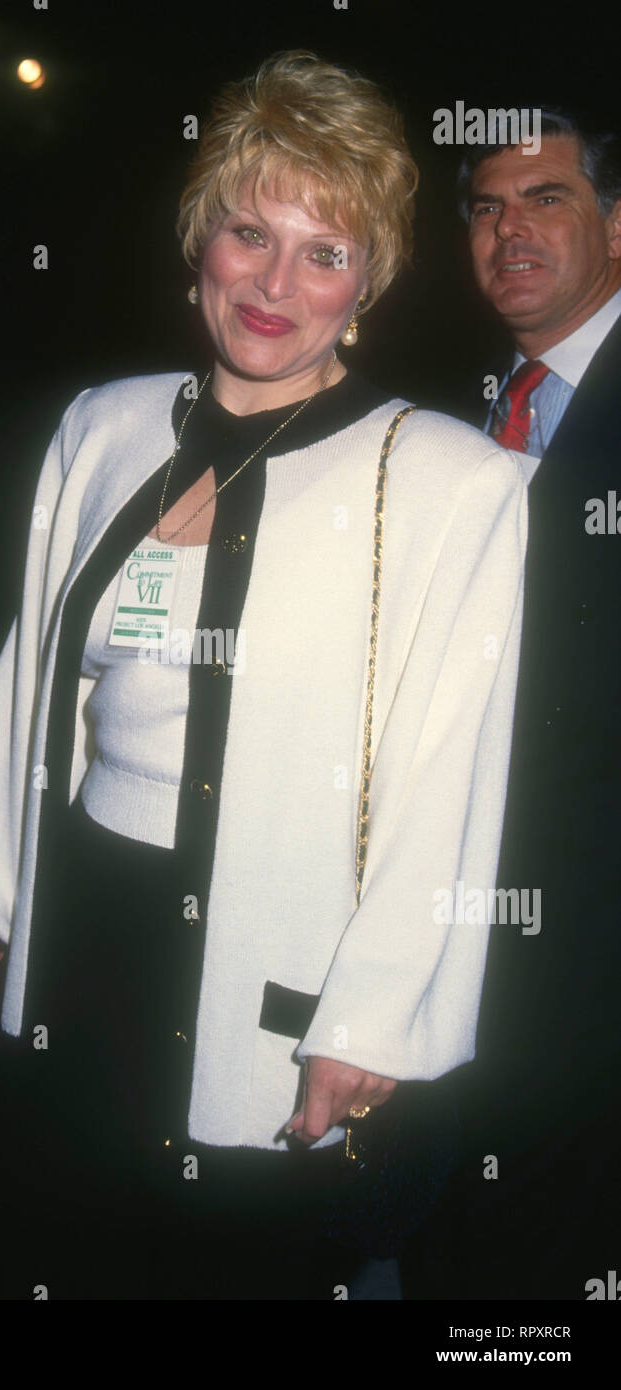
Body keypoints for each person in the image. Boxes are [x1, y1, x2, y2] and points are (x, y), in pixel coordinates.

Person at [0, 50, 527, 1301]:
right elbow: (32, 677)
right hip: (82, 919)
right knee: (51, 1242)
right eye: (250, 232)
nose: (276, 282)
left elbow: (447, 782)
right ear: (199, 239)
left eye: (327, 251)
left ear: (371, 281)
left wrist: (372, 1022)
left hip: (263, 951)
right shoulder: (101, 423)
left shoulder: (445, 484)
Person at [402, 108, 621, 1300]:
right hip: (465, 909)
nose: (509, 230)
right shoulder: (452, 398)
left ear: (618, 225)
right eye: (486, 207)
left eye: (547, 199)